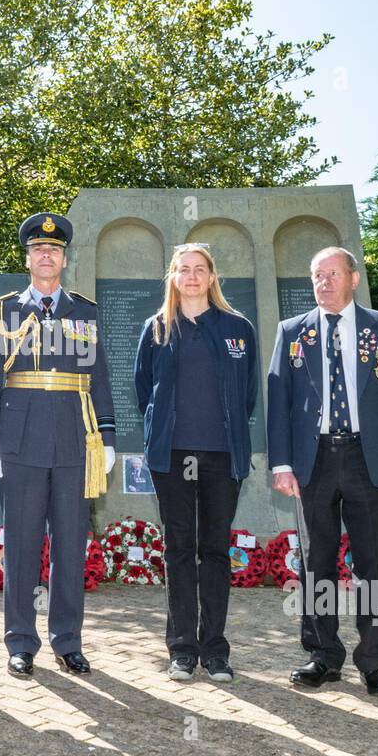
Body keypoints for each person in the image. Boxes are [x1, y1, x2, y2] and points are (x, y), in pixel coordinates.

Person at [265, 246, 378, 697]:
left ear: (353, 278)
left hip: (367, 459)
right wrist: (281, 463)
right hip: (313, 462)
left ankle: (374, 662)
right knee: (318, 562)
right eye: (317, 275)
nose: (324, 282)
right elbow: (279, 404)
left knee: (372, 563)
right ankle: (322, 656)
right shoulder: (293, 332)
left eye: (333, 274)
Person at [0, 212, 116, 678]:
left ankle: (67, 640)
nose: (46, 255)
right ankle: (20, 641)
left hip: (75, 439)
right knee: (20, 544)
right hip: (19, 441)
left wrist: (108, 436)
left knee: (71, 546)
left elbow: (99, 378)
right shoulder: (4, 312)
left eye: (54, 250)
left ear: (64, 258)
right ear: (29, 257)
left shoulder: (86, 312)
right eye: (38, 249)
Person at [134, 243, 258, 682]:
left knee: (215, 550)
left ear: (211, 276)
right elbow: (143, 391)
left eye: (199, 269)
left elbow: (247, 397)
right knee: (179, 550)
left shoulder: (237, 328)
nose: (190, 276)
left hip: (222, 457)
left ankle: (216, 650)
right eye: (183, 269)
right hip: (172, 457)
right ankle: (182, 649)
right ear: (172, 276)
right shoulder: (156, 329)